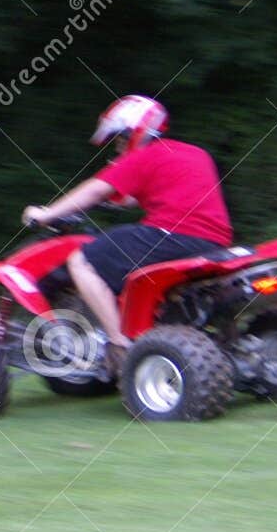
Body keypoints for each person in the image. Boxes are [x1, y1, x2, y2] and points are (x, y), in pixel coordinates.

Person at [20, 95, 233, 366]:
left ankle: (119, 345)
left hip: (171, 235)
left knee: (82, 261)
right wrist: (113, 198)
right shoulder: (193, 152)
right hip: (215, 244)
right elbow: (140, 192)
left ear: (132, 133)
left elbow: (96, 190)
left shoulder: (142, 156)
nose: (118, 148)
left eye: (119, 140)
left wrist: (47, 214)